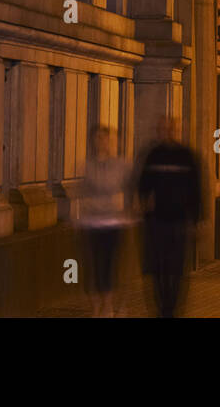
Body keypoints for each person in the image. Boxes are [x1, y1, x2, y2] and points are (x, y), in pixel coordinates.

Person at [135, 117, 202, 317]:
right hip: (156, 221)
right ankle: (162, 308)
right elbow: (143, 185)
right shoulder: (152, 155)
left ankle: (172, 309)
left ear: (176, 130)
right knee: (157, 269)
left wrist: (197, 220)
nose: (166, 132)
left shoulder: (186, 156)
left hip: (180, 222)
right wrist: (143, 202)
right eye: (162, 129)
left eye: (170, 129)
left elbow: (196, 190)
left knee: (177, 270)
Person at [78, 125, 130, 317]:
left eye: (105, 138)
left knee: (109, 265)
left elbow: (127, 188)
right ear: (93, 141)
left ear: (111, 141)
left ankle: (108, 305)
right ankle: (95, 307)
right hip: (91, 222)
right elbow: (83, 191)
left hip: (113, 222)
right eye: (98, 138)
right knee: (92, 266)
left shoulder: (121, 165)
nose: (101, 142)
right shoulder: (87, 165)